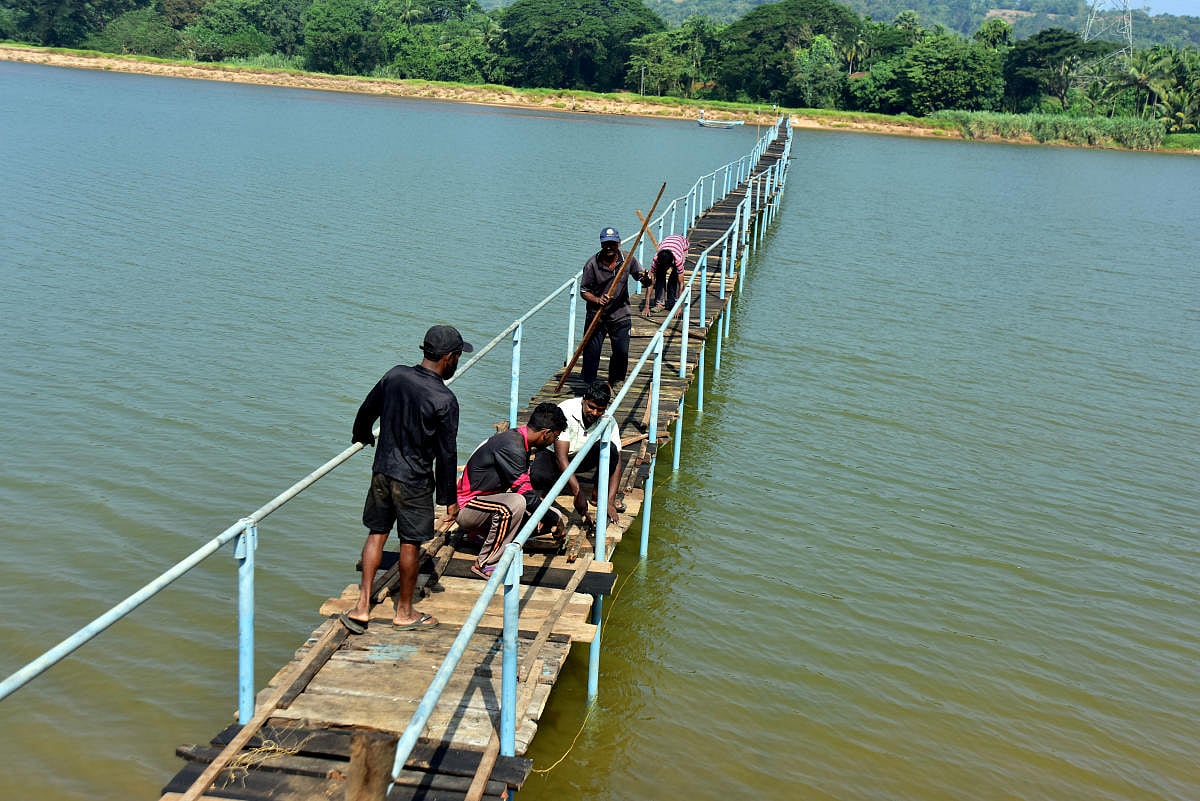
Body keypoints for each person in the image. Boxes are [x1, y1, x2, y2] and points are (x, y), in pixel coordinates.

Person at [341, 324, 472, 633]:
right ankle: (405, 612)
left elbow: (367, 410)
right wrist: (449, 501)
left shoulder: (395, 375)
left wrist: (361, 435)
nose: (457, 362)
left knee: (377, 533)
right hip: (413, 479)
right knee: (410, 544)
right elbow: (446, 454)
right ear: (449, 358)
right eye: (458, 357)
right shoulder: (445, 399)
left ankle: (362, 607)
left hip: (383, 470)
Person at [457, 402, 568, 579]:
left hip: (489, 504)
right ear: (546, 433)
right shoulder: (511, 446)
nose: (553, 442)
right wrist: (553, 518)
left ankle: (482, 536)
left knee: (550, 516)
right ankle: (486, 563)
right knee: (517, 504)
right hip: (469, 507)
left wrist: (553, 518)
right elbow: (525, 494)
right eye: (554, 437)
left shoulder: (520, 441)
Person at [530, 381, 625, 526]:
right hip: (555, 456)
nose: (594, 413)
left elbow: (617, 462)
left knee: (611, 449)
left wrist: (609, 501)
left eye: (599, 410)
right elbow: (561, 457)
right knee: (538, 477)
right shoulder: (566, 410)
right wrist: (577, 492)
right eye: (591, 407)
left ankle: (597, 496)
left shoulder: (608, 421)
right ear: (584, 400)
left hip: (580, 459)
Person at [580, 226, 653, 388]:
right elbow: (584, 291)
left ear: (618, 243)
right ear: (601, 244)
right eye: (606, 244)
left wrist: (647, 278)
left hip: (620, 314)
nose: (609, 247)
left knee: (621, 352)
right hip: (597, 314)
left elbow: (642, 279)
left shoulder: (628, 259)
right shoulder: (592, 264)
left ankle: (613, 382)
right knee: (591, 353)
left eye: (612, 244)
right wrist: (598, 300)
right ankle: (588, 385)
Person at [642, 234, 689, 315]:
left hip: (682, 244)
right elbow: (650, 284)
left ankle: (673, 302)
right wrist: (646, 306)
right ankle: (660, 304)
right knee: (660, 275)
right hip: (666, 244)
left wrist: (679, 306)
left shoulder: (678, 259)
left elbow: (681, 284)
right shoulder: (656, 259)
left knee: (675, 277)